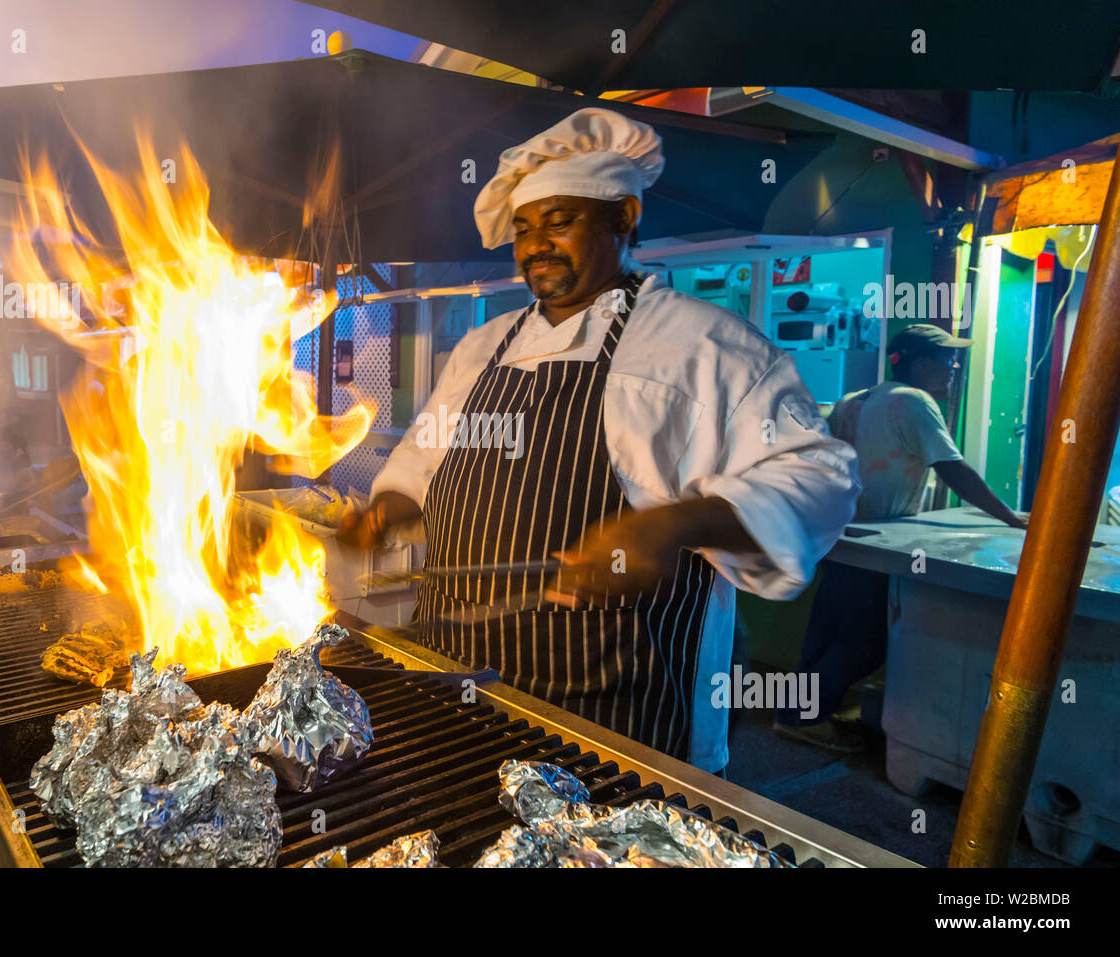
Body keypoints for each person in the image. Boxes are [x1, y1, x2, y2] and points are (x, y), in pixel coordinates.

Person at [339, 108, 859, 774]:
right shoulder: (480, 347)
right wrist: (384, 513)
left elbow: (822, 478)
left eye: (561, 221)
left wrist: (672, 524)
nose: (535, 246)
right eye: (524, 229)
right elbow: (421, 465)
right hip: (456, 698)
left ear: (624, 216)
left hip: (613, 730)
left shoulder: (702, 346)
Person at [773, 323, 1027, 751]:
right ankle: (805, 717)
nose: (954, 369)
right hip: (878, 541)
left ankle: (796, 714)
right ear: (921, 363)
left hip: (840, 533)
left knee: (828, 629)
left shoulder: (856, 399)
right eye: (947, 360)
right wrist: (1010, 518)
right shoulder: (914, 402)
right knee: (868, 640)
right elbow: (951, 468)